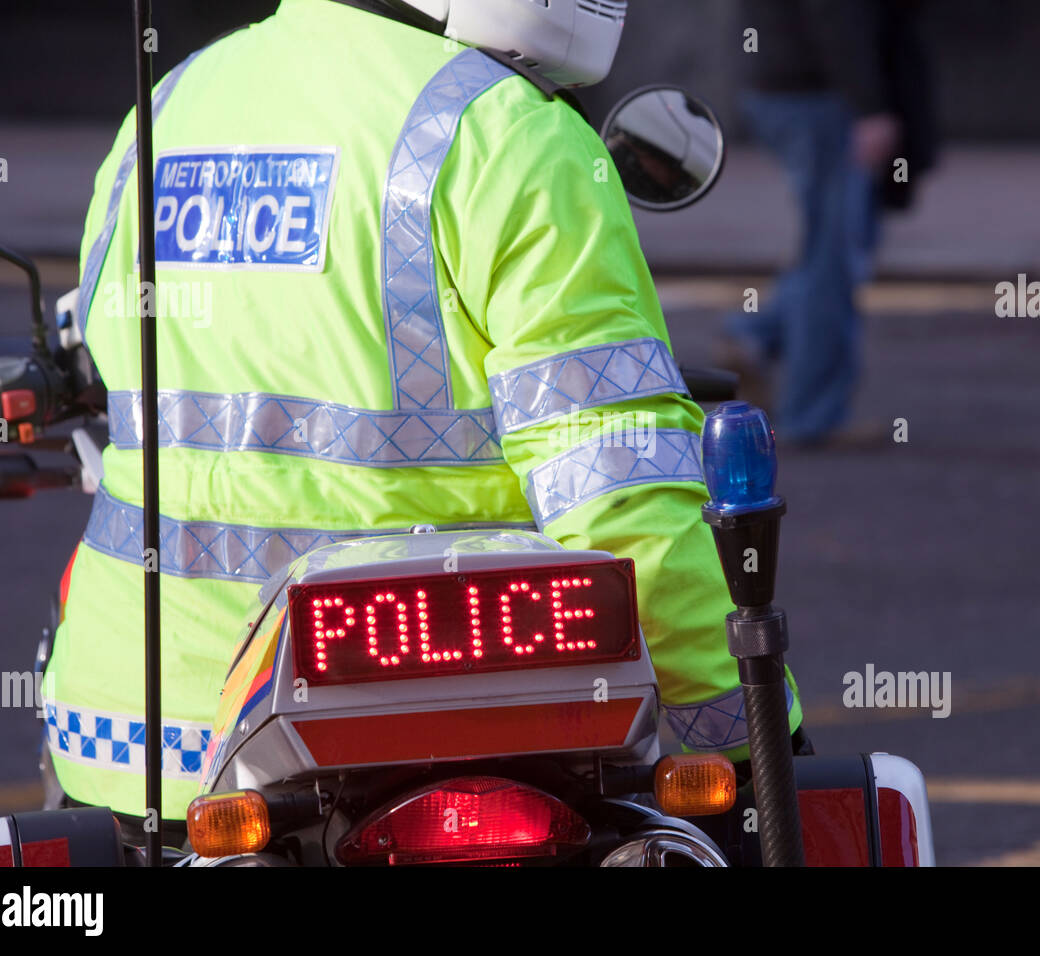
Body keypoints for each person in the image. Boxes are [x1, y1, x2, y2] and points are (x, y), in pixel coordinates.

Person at [41, 0, 805, 838]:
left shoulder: (167, 108)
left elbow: (112, 358)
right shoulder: (504, 128)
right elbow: (618, 487)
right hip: (456, 737)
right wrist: (742, 732)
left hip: (141, 743)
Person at [722, 0, 936, 447]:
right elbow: (836, 12)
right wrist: (869, 105)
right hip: (821, 92)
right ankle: (812, 413)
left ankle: (753, 336)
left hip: (795, 81)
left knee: (829, 246)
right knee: (833, 261)